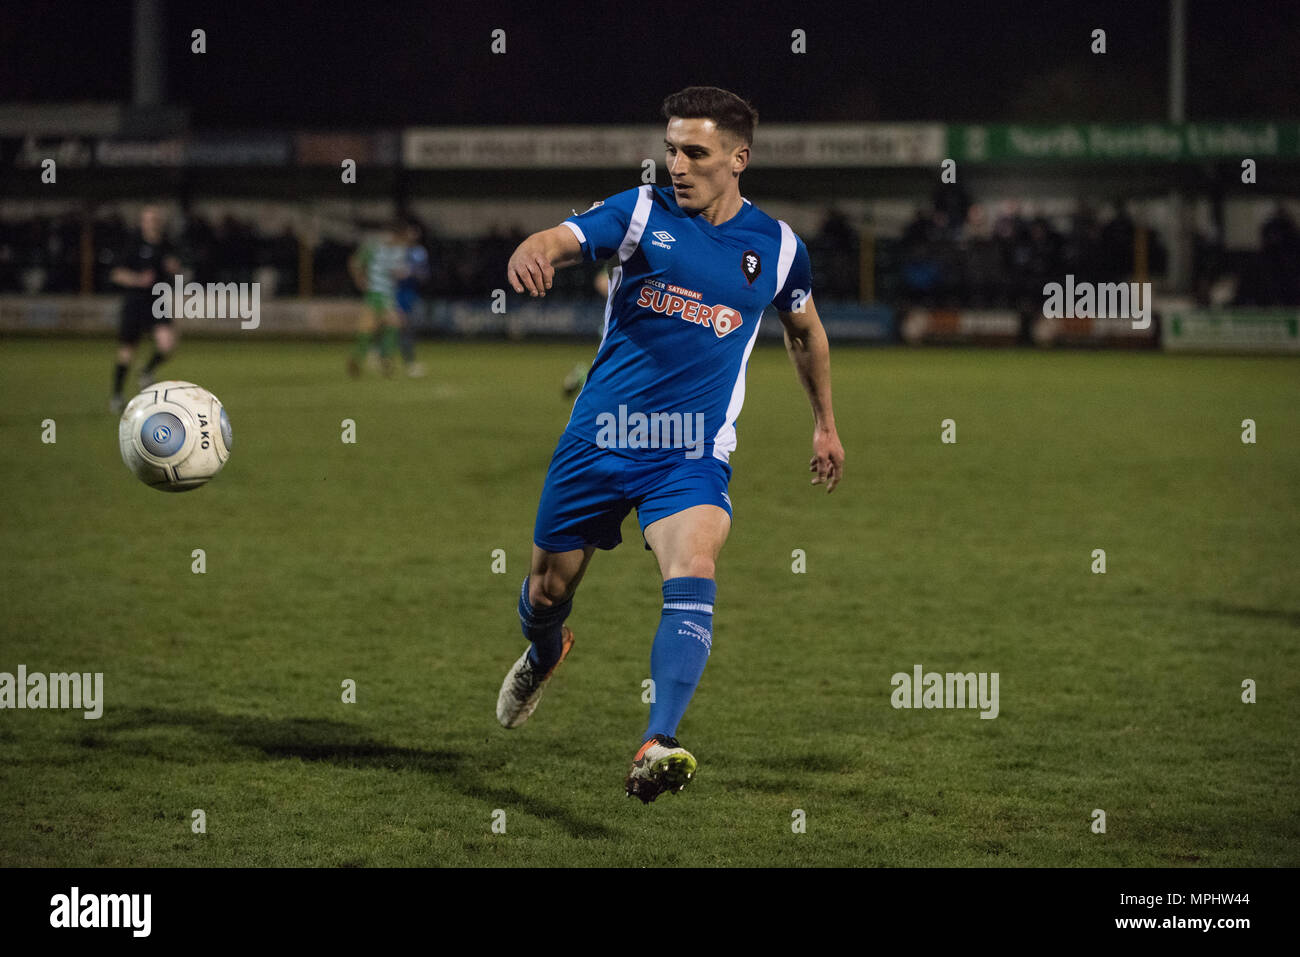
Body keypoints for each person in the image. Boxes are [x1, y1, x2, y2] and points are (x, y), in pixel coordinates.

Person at [497, 86, 845, 803]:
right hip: (599, 441)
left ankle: (658, 741)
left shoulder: (778, 249)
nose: (677, 165)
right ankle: (545, 648)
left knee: (695, 561)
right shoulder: (640, 211)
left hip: (690, 450)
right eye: (671, 150)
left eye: (695, 152)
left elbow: (805, 329)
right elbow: (561, 239)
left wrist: (824, 422)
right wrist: (534, 248)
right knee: (547, 590)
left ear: (738, 159)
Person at [109, 205, 182, 412]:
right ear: (142, 222)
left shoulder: (166, 245)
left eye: (155, 219)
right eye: (148, 219)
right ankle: (117, 396)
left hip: (156, 302)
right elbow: (116, 274)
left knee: (168, 344)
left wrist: (173, 269)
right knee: (126, 352)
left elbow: (173, 269)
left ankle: (147, 371)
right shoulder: (133, 245)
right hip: (135, 302)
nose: (152, 223)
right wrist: (137, 279)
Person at [347, 220, 407, 377]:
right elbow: (354, 262)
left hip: (388, 294)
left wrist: (399, 274)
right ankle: (383, 360)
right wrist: (359, 279)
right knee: (389, 323)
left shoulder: (399, 250)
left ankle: (359, 359)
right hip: (376, 293)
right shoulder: (374, 247)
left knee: (380, 326)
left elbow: (397, 272)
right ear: (395, 235)